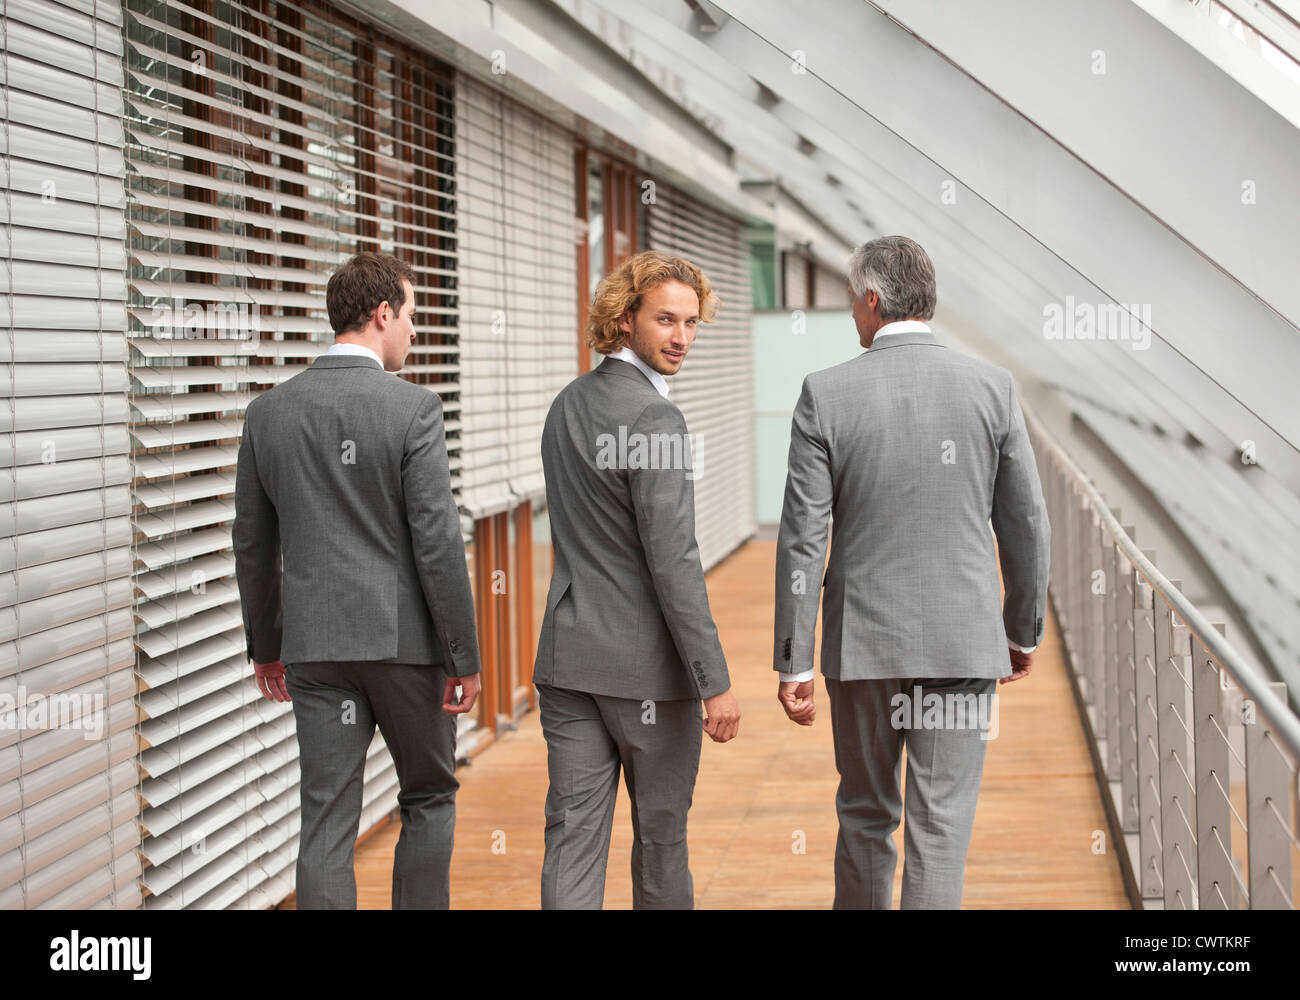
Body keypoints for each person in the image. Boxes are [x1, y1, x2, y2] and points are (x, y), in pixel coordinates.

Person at [772, 235, 1050, 909]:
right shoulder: (992, 388)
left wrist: (794, 661)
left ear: (873, 300)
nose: (852, 315)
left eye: (851, 301)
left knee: (866, 816)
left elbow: (803, 539)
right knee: (941, 825)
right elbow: (1027, 523)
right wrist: (1021, 630)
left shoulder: (826, 394)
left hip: (862, 648)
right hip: (961, 643)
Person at [233, 251, 481, 909]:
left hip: (316, 648)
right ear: (381, 313)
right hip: (407, 648)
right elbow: (436, 544)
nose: (414, 334)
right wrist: (464, 657)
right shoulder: (413, 409)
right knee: (427, 796)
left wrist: (267, 646)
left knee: (326, 818)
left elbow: (254, 546)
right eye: (411, 318)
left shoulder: (268, 414)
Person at [533, 249, 741, 909]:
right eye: (665, 321)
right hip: (648, 673)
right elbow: (673, 560)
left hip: (569, 661)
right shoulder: (657, 419)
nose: (682, 337)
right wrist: (716, 682)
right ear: (624, 321)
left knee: (571, 839)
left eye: (691, 322)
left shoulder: (567, 405)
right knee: (660, 843)